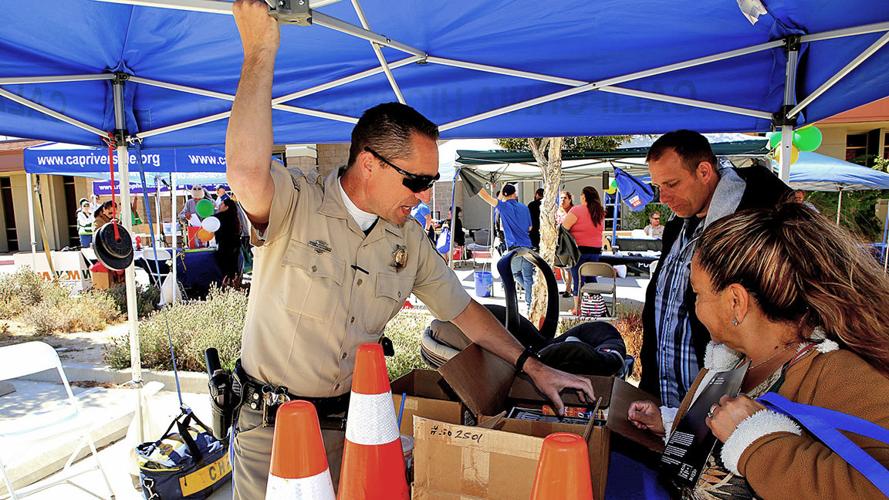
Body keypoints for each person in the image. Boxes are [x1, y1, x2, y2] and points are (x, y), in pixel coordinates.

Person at [225, 3, 593, 498]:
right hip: (273, 432)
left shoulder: (409, 242)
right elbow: (247, 173)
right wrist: (260, 52)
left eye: (430, 181)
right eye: (417, 180)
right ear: (369, 164)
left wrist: (535, 365)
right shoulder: (296, 202)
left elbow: (466, 314)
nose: (424, 195)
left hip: (352, 427)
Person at [628, 204, 889, 499]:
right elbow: (725, 428)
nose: (694, 305)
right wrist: (672, 424)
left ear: (735, 301)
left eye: (697, 293)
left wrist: (759, 440)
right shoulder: (733, 361)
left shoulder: (842, 373)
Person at [641, 130, 791, 408]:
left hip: (721, 409)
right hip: (665, 404)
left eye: (672, 184)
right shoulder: (677, 228)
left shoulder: (754, 225)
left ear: (704, 171)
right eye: (658, 186)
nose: (663, 197)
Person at [479, 184, 534, 309]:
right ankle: (530, 303)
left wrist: (474, 186)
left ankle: (524, 298)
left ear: (504, 195)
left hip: (514, 248)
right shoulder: (524, 207)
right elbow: (530, 227)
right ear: (515, 193)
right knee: (528, 276)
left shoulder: (503, 206)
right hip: (527, 246)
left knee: (513, 275)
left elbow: (486, 197)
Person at [561, 186, 605, 315]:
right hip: (596, 250)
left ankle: (577, 308)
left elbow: (564, 227)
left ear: (584, 196)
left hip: (578, 250)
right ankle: (596, 305)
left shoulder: (576, 210)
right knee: (591, 277)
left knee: (578, 278)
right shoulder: (600, 211)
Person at [214, 196, 243, 284]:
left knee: (225, 267)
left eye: (222, 204)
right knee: (233, 266)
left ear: (226, 207)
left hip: (225, 245)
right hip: (235, 244)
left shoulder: (219, 217)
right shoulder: (235, 217)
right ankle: (235, 283)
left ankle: (226, 284)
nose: (220, 205)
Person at [557, 191, 574, 298]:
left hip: (569, 241)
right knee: (561, 266)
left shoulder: (573, 211)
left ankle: (568, 288)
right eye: (561, 198)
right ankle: (566, 286)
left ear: (570, 199)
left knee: (568, 266)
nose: (562, 200)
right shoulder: (558, 211)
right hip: (559, 241)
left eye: (565, 198)